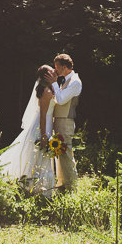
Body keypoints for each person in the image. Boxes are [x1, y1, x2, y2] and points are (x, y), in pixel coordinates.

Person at [0, 65, 56, 196]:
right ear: (46, 76)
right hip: (42, 124)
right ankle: (34, 187)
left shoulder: (49, 88)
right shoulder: (46, 91)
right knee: (38, 153)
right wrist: (43, 135)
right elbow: (43, 114)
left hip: (46, 123)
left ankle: (32, 185)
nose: (54, 73)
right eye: (52, 72)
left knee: (34, 154)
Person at [45, 53, 82, 191]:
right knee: (59, 153)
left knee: (66, 153)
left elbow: (61, 100)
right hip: (59, 120)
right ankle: (62, 184)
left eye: (57, 67)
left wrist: (53, 82)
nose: (55, 70)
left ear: (65, 67)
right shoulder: (65, 80)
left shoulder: (75, 82)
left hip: (66, 122)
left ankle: (72, 188)